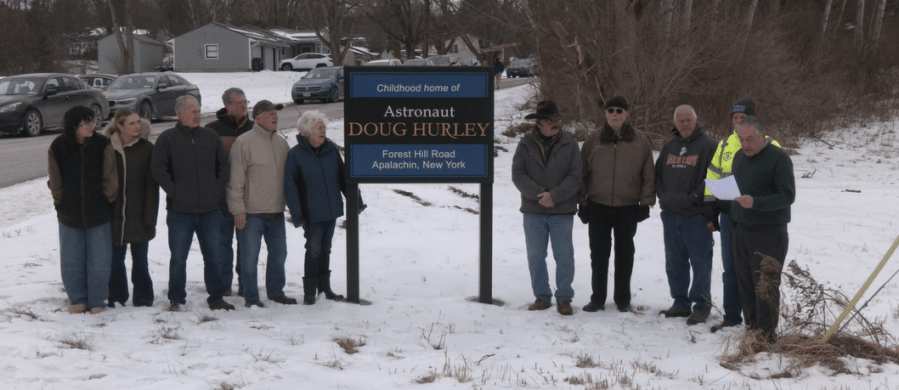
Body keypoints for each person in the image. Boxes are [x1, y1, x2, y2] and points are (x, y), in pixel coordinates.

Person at [702, 98, 781, 332]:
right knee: (731, 269)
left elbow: (777, 182)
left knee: (756, 270)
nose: (737, 123)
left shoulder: (770, 145)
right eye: (734, 118)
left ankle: (758, 323)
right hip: (729, 215)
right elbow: (713, 175)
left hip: (757, 217)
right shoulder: (724, 144)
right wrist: (709, 207)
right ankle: (732, 316)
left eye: (742, 118)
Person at [151, 95, 234, 311]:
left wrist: (216, 190)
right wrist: (175, 192)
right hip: (180, 212)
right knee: (178, 258)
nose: (198, 115)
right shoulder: (167, 139)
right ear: (180, 115)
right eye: (193, 112)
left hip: (210, 211)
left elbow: (223, 166)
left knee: (213, 258)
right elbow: (159, 169)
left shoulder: (210, 136)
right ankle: (176, 299)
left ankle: (216, 298)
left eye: (198, 111)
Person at [578, 96, 655, 313]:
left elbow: (648, 174)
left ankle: (623, 298)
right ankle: (597, 298)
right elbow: (582, 172)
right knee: (599, 254)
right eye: (610, 110)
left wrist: (645, 203)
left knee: (625, 253)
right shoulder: (593, 139)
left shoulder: (640, 141)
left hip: (627, 205)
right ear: (605, 113)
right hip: (598, 205)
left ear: (627, 114)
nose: (615, 114)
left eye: (619, 110)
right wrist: (582, 202)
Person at [285, 111, 366, 305]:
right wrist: (297, 215)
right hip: (311, 213)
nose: (323, 131)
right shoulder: (295, 155)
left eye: (324, 127)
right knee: (313, 249)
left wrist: (357, 201)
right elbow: (290, 187)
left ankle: (325, 288)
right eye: (319, 127)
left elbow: (344, 178)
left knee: (326, 249)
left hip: (331, 210)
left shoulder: (331, 150)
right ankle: (310, 292)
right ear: (307, 131)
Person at [512, 101, 581, 316]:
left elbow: (576, 175)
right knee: (535, 256)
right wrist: (540, 195)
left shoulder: (570, 142)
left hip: (562, 210)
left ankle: (564, 298)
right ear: (539, 122)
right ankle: (542, 297)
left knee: (564, 256)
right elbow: (518, 174)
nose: (554, 124)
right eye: (549, 121)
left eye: (556, 121)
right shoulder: (525, 143)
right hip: (533, 210)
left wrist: (555, 195)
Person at [47, 106, 117, 314]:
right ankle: (77, 299)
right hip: (69, 214)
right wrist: (60, 203)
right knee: (71, 260)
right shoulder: (58, 146)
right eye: (85, 123)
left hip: (99, 213)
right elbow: (55, 178)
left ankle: (97, 301)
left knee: (100, 260)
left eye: (93, 121)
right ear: (73, 126)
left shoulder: (102, 144)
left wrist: (106, 200)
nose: (91, 126)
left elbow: (110, 176)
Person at [731, 116, 795, 341]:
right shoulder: (738, 157)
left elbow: (788, 195)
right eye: (741, 139)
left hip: (769, 232)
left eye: (750, 139)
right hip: (741, 230)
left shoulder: (778, 159)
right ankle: (752, 329)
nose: (745, 145)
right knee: (746, 283)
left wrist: (756, 203)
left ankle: (766, 335)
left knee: (765, 285)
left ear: (763, 136)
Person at [227, 100, 296, 307]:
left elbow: (289, 179)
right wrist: (238, 210)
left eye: (276, 113)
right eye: (270, 114)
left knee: (279, 254)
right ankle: (251, 297)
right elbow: (235, 181)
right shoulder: (244, 142)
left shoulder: (281, 143)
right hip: (251, 214)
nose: (275, 117)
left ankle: (276, 292)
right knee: (249, 257)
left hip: (276, 212)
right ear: (257, 119)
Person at [656, 105, 717, 325]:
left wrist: (694, 197)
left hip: (695, 216)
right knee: (675, 262)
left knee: (701, 263)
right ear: (674, 123)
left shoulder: (709, 146)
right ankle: (680, 303)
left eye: (688, 119)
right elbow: (659, 174)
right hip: (671, 215)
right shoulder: (669, 147)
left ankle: (701, 306)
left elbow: (713, 176)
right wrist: (662, 195)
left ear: (696, 119)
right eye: (680, 120)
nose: (685, 123)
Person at [104, 109, 159, 307]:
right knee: (115, 261)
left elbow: (151, 187)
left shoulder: (146, 149)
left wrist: (150, 217)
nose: (138, 126)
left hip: (140, 214)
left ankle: (144, 298)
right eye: (132, 123)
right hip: (114, 215)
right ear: (119, 126)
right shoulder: (107, 147)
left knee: (141, 261)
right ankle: (117, 296)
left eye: (139, 122)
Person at [207, 87, 254, 297]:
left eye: (245, 102)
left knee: (246, 245)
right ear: (227, 106)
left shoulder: (255, 129)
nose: (244, 106)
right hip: (221, 199)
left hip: (249, 200)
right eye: (239, 103)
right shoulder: (211, 130)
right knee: (222, 243)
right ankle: (224, 283)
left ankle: (245, 283)